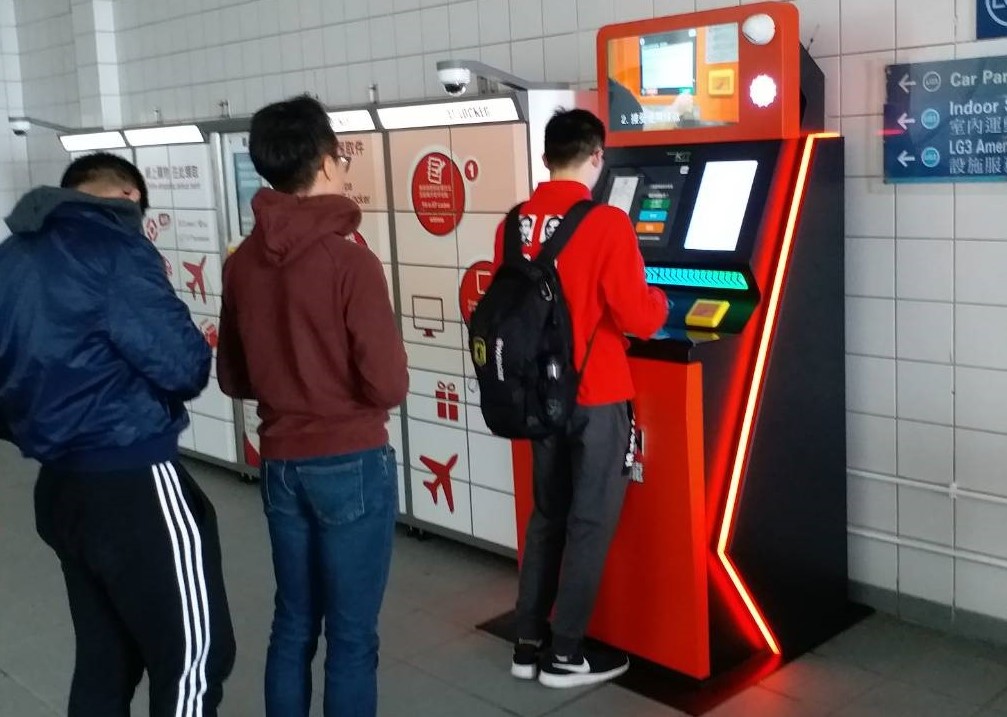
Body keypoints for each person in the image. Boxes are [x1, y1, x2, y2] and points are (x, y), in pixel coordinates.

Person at [0, 153, 236, 716]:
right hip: (133, 486)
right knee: (195, 660)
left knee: (106, 660)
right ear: (129, 198)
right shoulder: (117, 250)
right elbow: (184, 365)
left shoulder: (11, 256)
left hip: (59, 489)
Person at [216, 96, 408, 717]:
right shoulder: (350, 262)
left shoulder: (242, 263)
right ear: (328, 158)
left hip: (279, 463)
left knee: (293, 623)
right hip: (351, 459)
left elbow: (234, 376)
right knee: (351, 637)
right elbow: (388, 386)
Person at [495, 109, 669, 689]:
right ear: (598, 157)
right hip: (596, 398)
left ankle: (527, 643)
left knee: (546, 517)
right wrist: (665, 301)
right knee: (589, 522)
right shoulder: (607, 223)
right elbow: (638, 316)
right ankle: (567, 655)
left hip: (538, 399)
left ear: (546, 158)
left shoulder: (514, 223)